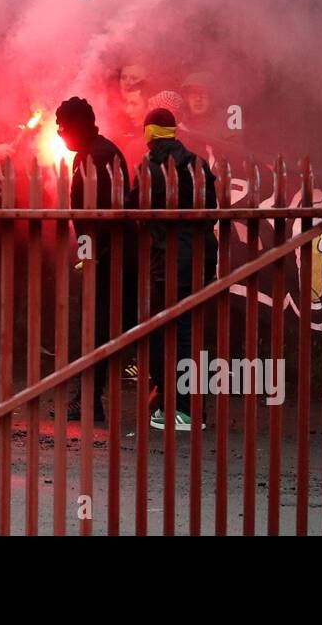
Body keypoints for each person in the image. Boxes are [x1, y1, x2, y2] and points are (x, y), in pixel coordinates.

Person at [128, 106, 218, 431]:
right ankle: (183, 407)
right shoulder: (198, 164)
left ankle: (182, 410)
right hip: (200, 258)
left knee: (172, 335)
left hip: (169, 262)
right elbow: (211, 212)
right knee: (188, 334)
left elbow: (133, 209)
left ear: (149, 133)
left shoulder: (150, 167)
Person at [54, 95, 130, 424]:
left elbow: (98, 214)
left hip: (111, 255)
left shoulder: (98, 156)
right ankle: (89, 397)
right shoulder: (92, 153)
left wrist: (91, 252)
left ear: (80, 125)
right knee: (99, 325)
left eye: (64, 126)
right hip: (104, 253)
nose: (60, 132)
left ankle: (90, 399)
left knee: (99, 326)